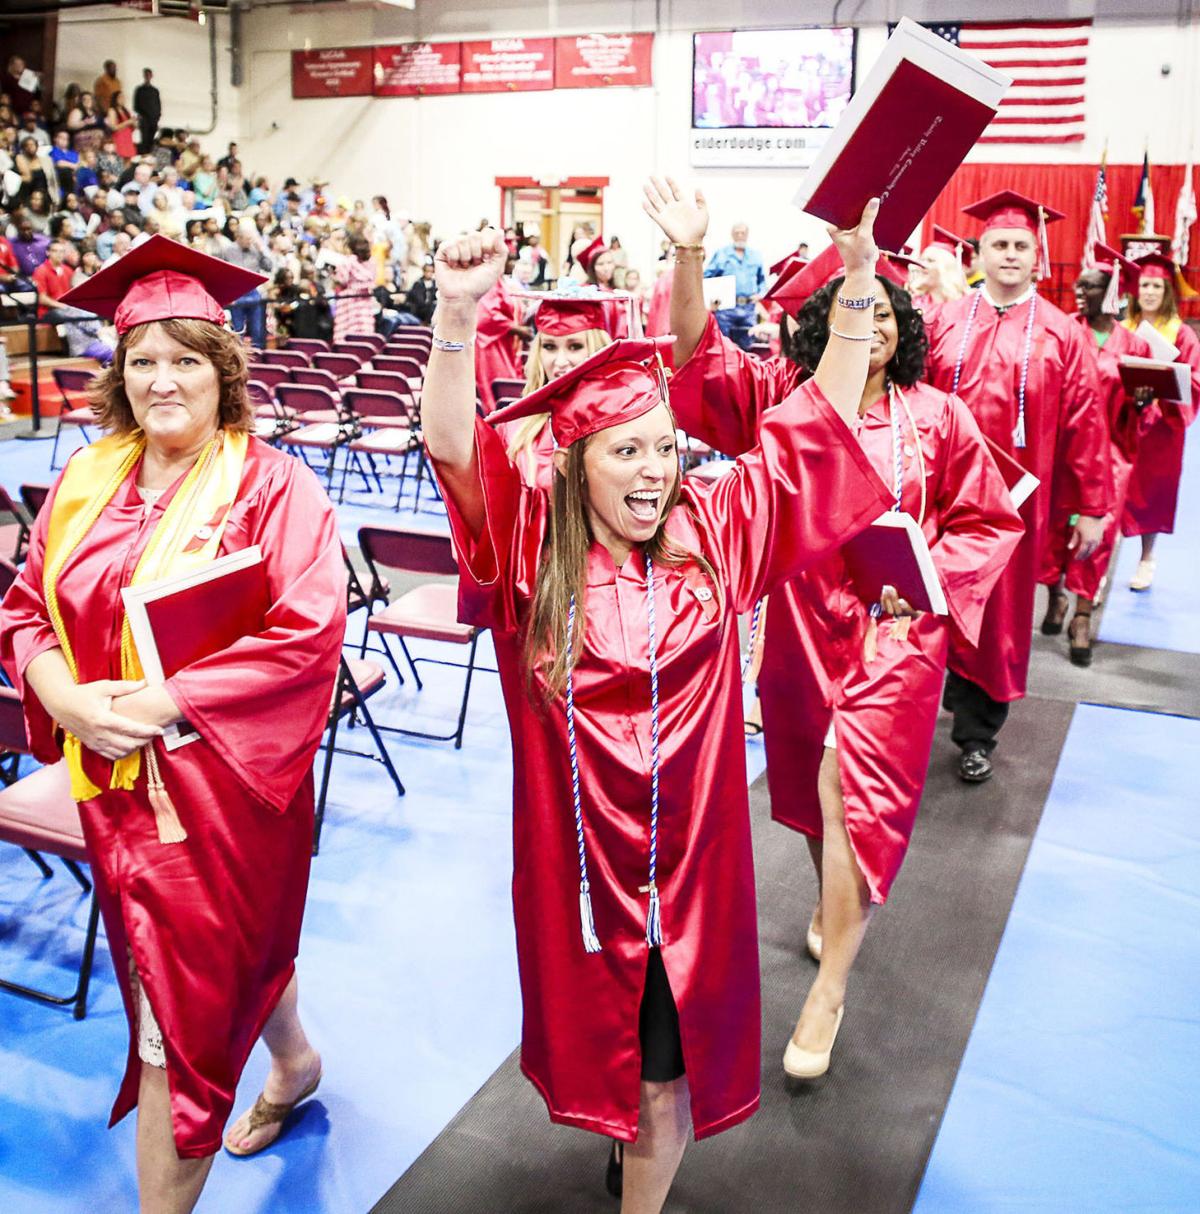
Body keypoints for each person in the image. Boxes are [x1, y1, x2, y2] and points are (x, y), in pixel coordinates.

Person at [421, 201, 894, 1214]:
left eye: (664, 447)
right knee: (622, 1068)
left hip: (692, 884)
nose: (652, 471)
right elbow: (457, 448)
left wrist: (856, 277)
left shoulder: (717, 529)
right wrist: (456, 313)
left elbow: (818, 433)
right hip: (585, 885)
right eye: (624, 451)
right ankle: (635, 1142)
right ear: (576, 459)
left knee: (662, 1075)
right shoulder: (529, 554)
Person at [645, 177, 1022, 1077]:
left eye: (891, 313)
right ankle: (830, 899)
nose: (879, 326)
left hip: (898, 636)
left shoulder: (940, 417)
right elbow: (696, 361)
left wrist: (932, 583)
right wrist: (691, 255)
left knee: (853, 801)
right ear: (826, 326)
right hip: (803, 629)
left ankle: (831, 990)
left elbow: (989, 523)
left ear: (905, 327)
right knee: (819, 810)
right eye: (862, 312)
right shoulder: (787, 401)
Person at [0, 235, 344, 1213]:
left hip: (223, 800)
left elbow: (307, 633)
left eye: (186, 356)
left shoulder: (276, 489)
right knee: (237, 953)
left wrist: (155, 705)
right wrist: (62, 695)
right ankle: (296, 1063)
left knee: (173, 1031)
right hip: (110, 790)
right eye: (142, 359)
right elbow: (26, 604)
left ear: (222, 368)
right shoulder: (85, 480)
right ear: (118, 371)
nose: (163, 379)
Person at [924, 190, 1110, 783]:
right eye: (998, 244)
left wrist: (1093, 507)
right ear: (978, 251)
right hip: (942, 494)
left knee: (998, 616)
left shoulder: (1063, 334)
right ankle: (930, 708)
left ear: (1038, 255)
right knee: (931, 601)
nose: (1009, 254)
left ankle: (978, 732)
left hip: (1016, 503)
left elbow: (1086, 421)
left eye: (1020, 245)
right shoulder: (943, 321)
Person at [1038, 247, 1154, 663]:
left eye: (1089, 285)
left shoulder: (1135, 344)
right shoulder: (1062, 330)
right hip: (1060, 451)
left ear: (1112, 293)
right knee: (1053, 533)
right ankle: (1055, 596)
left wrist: (1142, 405)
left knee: (1098, 538)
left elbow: (1149, 412)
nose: (1078, 290)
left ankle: (1082, 615)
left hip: (1109, 456)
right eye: (1079, 284)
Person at [1118, 250, 1200, 591]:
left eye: (1157, 286)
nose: (1149, 292)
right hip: (1122, 424)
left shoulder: (1181, 335)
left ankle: (1146, 558)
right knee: (1113, 494)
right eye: (1144, 285)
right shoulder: (1122, 328)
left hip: (1160, 430)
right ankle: (1102, 563)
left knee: (1152, 495)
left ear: (1168, 292)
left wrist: (1164, 384)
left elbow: (1194, 383)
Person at [704, 221, 765, 351]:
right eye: (737, 232)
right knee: (722, 346)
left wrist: (760, 294)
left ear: (747, 235)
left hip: (748, 309)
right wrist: (713, 298)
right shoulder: (721, 254)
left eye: (743, 233)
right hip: (726, 309)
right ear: (732, 235)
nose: (740, 235)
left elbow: (762, 281)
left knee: (747, 346)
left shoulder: (756, 256)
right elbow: (707, 276)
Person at [220, 226, 273, 348]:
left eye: (251, 239)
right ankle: (238, 354)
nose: (250, 242)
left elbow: (268, 267)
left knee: (258, 326)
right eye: (247, 239)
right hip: (236, 291)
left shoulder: (255, 249)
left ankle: (259, 353)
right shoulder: (227, 250)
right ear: (238, 238)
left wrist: (262, 251)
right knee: (238, 328)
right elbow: (222, 272)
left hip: (253, 290)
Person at [909, 225, 969, 313]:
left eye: (930, 261)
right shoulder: (914, 303)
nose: (922, 265)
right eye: (922, 260)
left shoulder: (964, 305)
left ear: (946, 269)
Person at [333, 234, 378, 341]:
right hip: (365, 301)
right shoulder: (372, 262)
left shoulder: (347, 262)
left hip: (349, 301)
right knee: (364, 333)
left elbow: (342, 280)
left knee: (346, 335)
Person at [133, 68, 161, 155]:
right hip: (144, 119)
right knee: (144, 140)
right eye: (146, 74)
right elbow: (136, 105)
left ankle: (149, 156)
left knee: (151, 140)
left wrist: (157, 117)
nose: (148, 76)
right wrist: (143, 116)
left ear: (151, 76)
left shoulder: (155, 91)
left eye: (149, 74)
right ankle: (143, 156)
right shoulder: (139, 89)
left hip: (154, 120)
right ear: (144, 76)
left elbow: (158, 105)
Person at [106, 90, 139, 161]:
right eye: (120, 97)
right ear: (115, 99)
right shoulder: (112, 110)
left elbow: (132, 128)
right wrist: (127, 122)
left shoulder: (126, 111)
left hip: (128, 139)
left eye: (123, 97)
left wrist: (134, 123)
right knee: (120, 160)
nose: (122, 99)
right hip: (119, 139)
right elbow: (113, 127)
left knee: (129, 160)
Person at [405, 256, 437, 325]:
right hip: (420, 309)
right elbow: (419, 301)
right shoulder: (418, 284)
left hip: (432, 308)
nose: (429, 274)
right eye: (427, 271)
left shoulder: (435, 284)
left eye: (431, 272)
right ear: (424, 271)